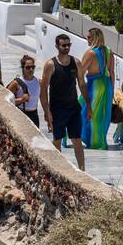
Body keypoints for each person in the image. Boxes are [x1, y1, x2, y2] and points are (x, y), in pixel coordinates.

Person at [40, 33, 86, 171]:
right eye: (63, 45)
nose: (66, 47)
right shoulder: (50, 65)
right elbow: (44, 89)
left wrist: (89, 105)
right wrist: (47, 112)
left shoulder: (76, 63)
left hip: (73, 107)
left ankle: (82, 171)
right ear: (57, 46)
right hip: (57, 109)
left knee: (77, 139)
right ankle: (58, 170)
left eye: (68, 45)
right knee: (57, 140)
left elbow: (82, 83)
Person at [80, 27, 113, 151]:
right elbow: (111, 72)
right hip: (106, 86)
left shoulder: (90, 53)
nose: (87, 39)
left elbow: (80, 72)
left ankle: (92, 140)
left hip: (94, 86)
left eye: (89, 37)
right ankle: (98, 141)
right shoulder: (109, 51)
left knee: (83, 111)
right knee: (101, 116)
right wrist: (112, 90)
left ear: (95, 38)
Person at [6, 56, 41, 126]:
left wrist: (47, 114)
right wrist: (21, 99)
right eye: (28, 67)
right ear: (22, 68)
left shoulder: (38, 82)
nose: (31, 69)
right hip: (21, 114)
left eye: (33, 67)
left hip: (34, 115)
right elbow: (5, 101)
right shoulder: (16, 83)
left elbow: (43, 100)